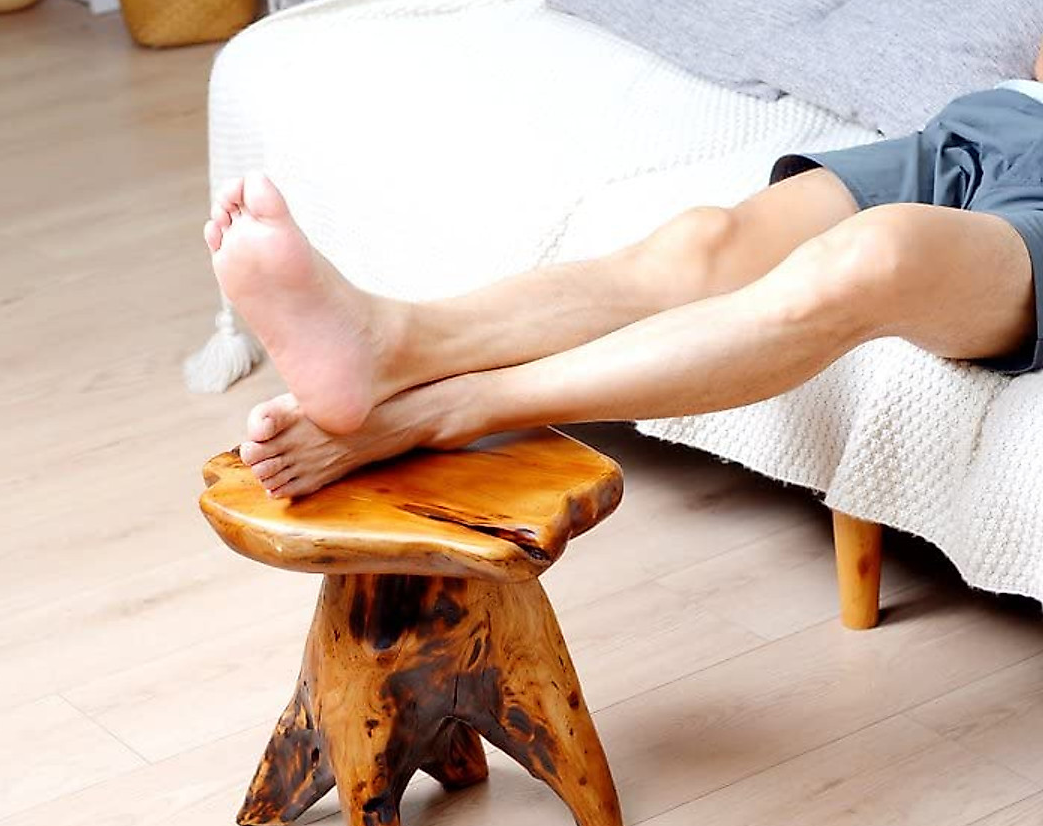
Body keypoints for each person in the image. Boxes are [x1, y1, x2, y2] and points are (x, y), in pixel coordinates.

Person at [203, 57, 1043, 500]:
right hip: (1003, 120)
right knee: (702, 244)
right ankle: (389, 343)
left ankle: (448, 408)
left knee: (875, 255)